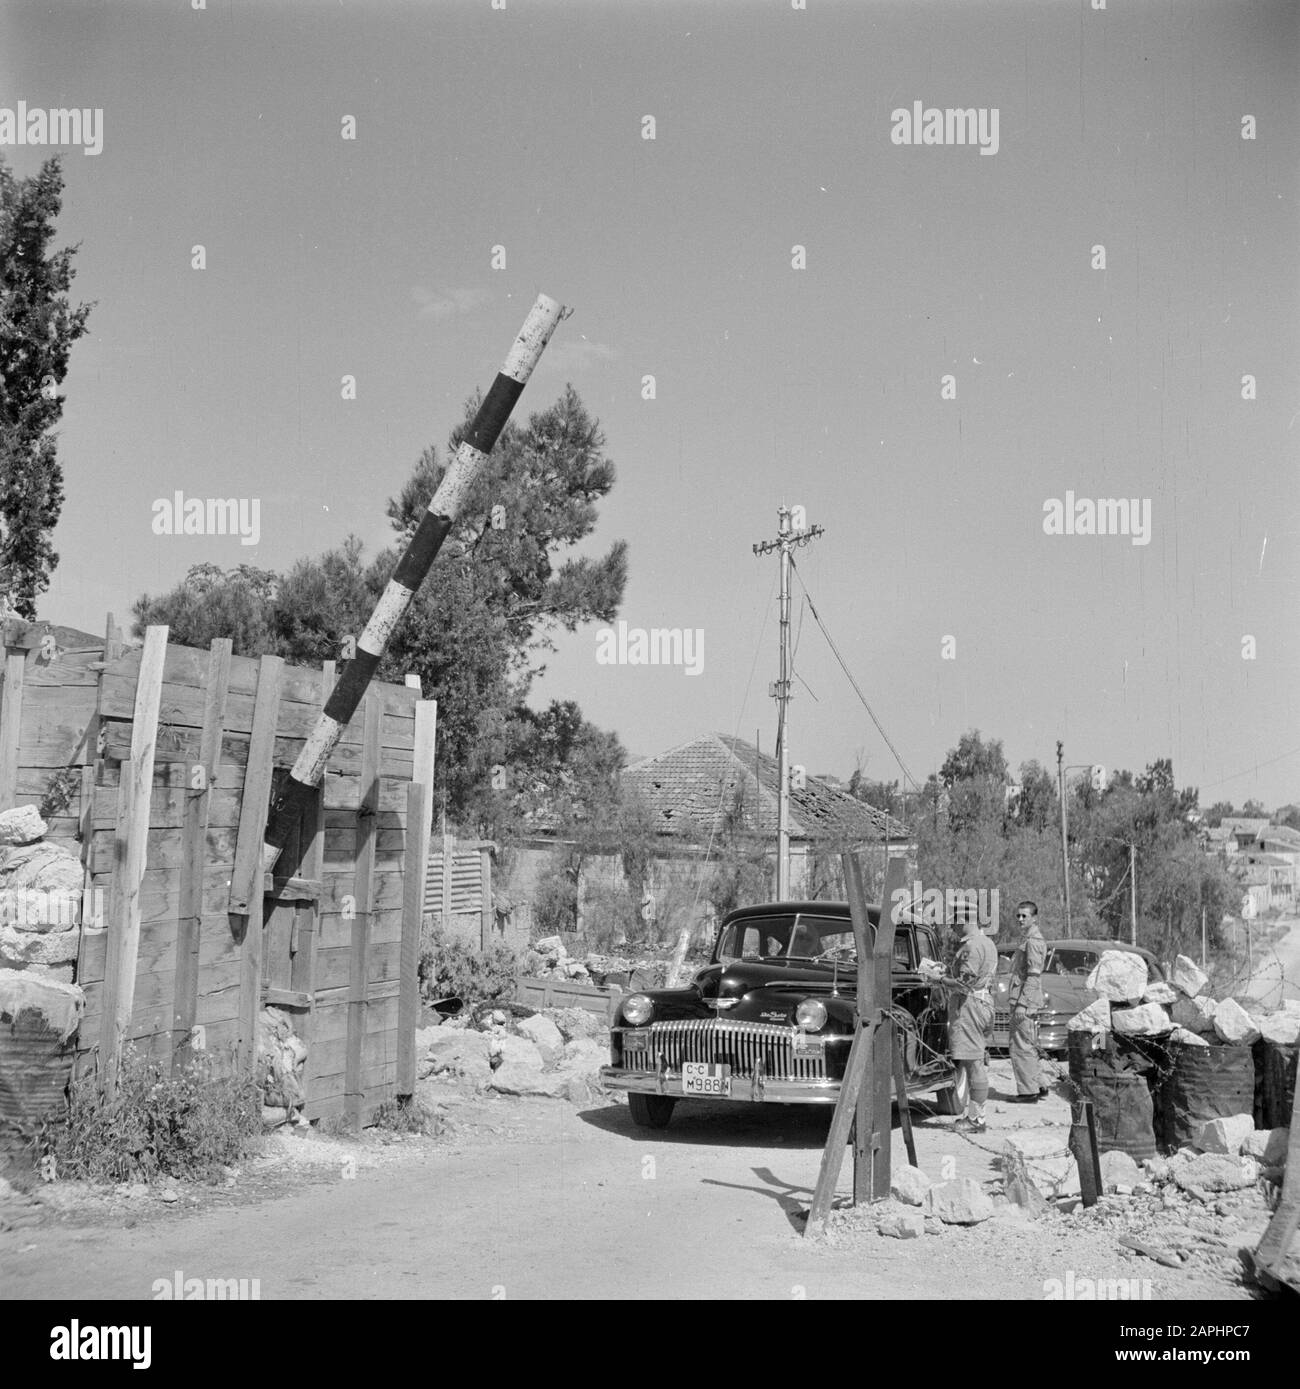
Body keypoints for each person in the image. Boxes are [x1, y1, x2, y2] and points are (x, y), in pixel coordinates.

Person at [943, 904, 998, 1133]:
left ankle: (977, 1120)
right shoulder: (987, 943)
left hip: (970, 1006)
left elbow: (964, 982)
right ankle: (975, 1116)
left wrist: (940, 979)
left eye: (954, 922)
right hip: (982, 1003)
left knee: (973, 1063)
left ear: (965, 920)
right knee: (974, 1060)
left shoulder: (971, 947)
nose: (953, 927)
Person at [1008, 900, 1049, 1102]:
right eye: (1018, 915)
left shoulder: (1033, 941)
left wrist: (1022, 1003)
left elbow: (1033, 976)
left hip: (1025, 1001)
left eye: (1025, 916)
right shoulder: (1028, 938)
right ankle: (1039, 1085)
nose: (1020, 919)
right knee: (1029, 1044)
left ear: (1035, 918)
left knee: (1020, 1046)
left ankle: (1028, 1091)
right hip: (1025, 999)